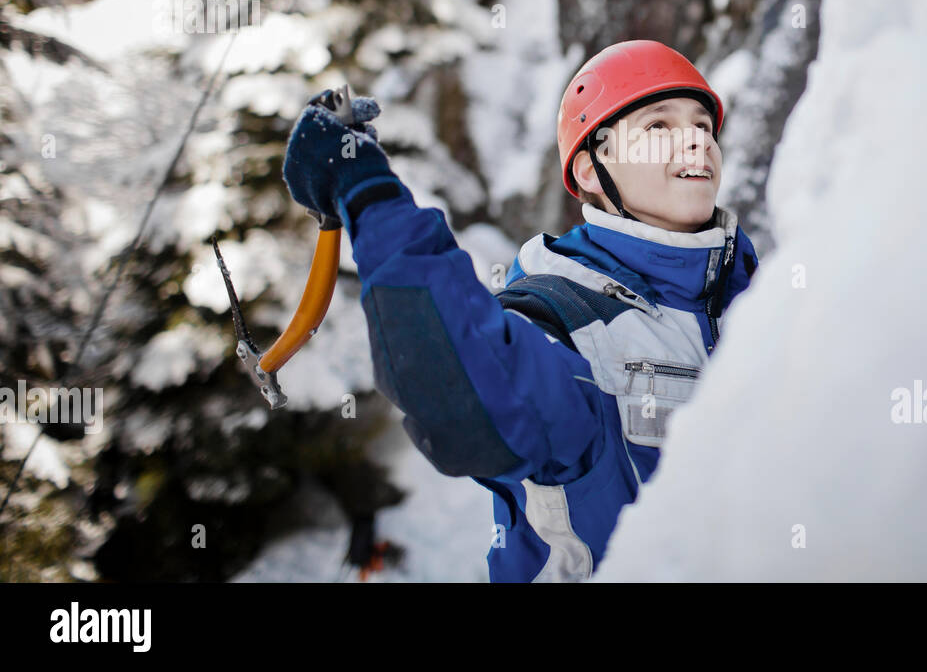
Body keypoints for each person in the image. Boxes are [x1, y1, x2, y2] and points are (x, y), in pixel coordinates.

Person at [282, 39, 760, 581]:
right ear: (588, 170)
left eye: (703, 126)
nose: (696, 142)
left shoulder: (759, 299)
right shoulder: (566, 321)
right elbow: (455, 382)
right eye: (659, 128)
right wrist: (368, 195)